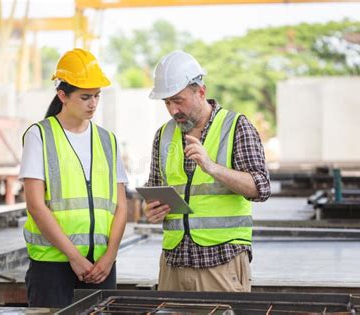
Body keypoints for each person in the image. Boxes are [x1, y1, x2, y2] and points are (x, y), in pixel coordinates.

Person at [144, 51, 270, 292]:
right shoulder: (163, 135)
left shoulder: (236, 126)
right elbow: (154, 189)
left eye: (178, 100)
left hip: (222, 261)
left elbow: (261, 187)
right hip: (174, 262)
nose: (172, 110)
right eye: (167, 102)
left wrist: (211, 167)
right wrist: (151, 210)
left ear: (201, 91)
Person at [19, 48, 128, 308]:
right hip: (53, 265)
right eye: (85, 97)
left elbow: (121, 205)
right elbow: (35, 205)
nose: (93, 103)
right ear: (62, 95)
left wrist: (110, 257)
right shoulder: (40, 136)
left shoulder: (107, 140)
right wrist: (74, 257)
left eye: (97, 96)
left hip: (101, 266)